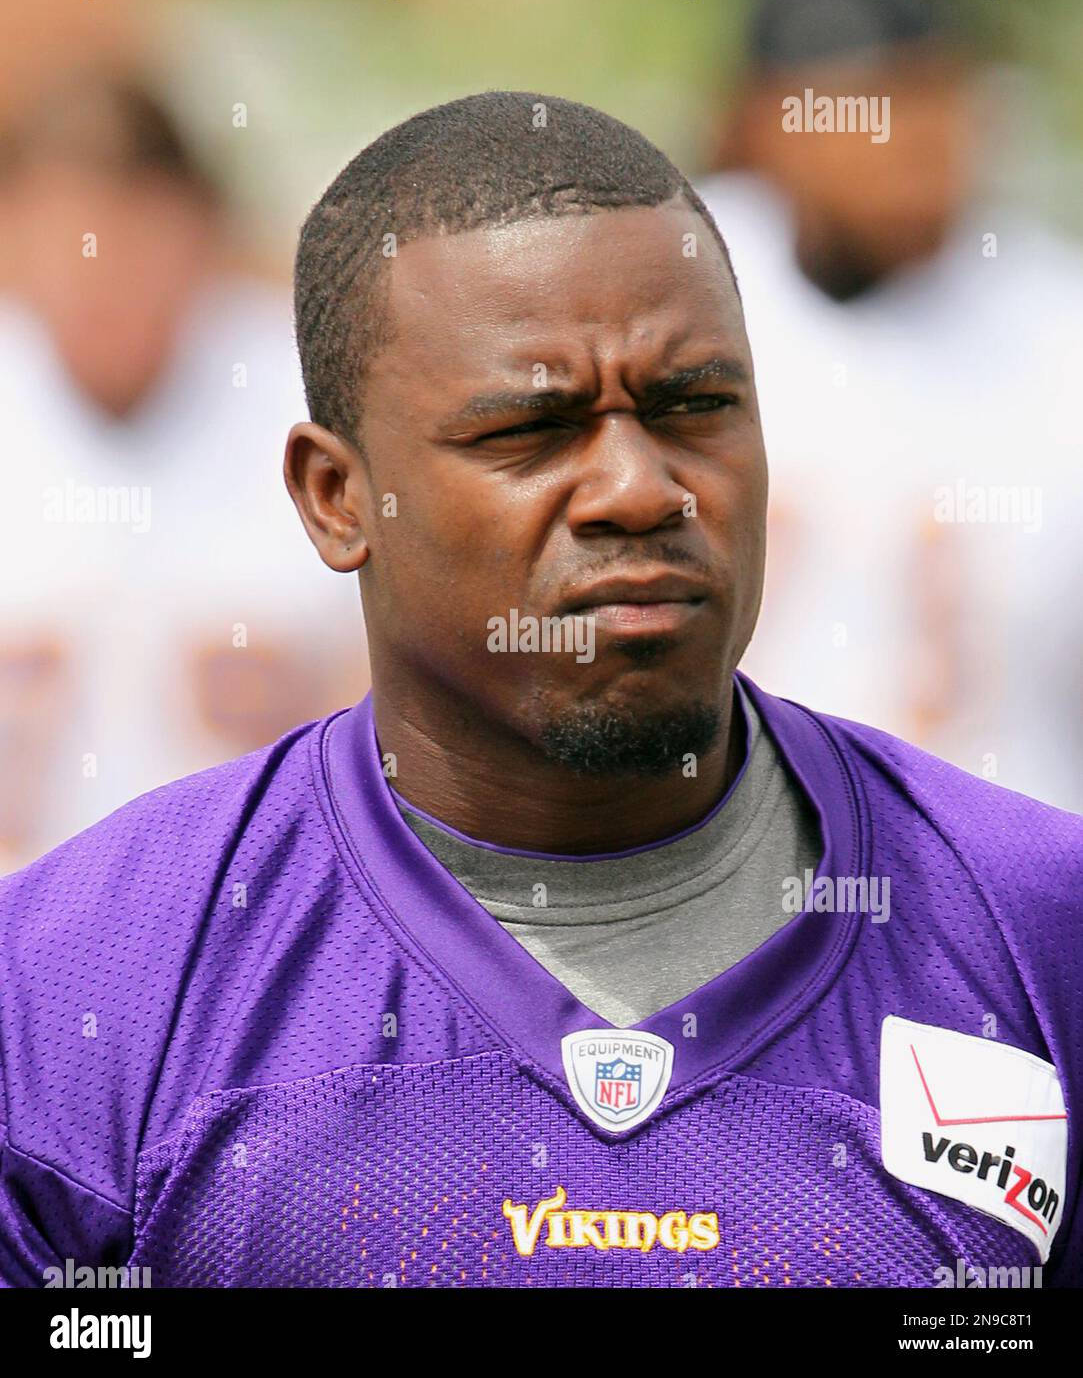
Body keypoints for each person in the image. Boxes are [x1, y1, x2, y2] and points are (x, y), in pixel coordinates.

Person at [0, 92, 1078, 1289]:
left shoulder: (1039, 931)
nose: (637, 487)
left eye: (694, 406)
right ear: (336, 498)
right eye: (532, 427)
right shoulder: (80, 986)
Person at [698, 0, 1083, 811]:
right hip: (711, 888)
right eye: (877, 105)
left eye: (939, 99)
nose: (919, 143)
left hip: (1004, 891)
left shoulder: (1056, 328)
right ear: (770, 120)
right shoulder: (664, 283)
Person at [0, 74, 366, 870]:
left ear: (201, 231)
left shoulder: (311, 397)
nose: (101, 281)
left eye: (138, 240)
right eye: (67, 242)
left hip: (259, 913)